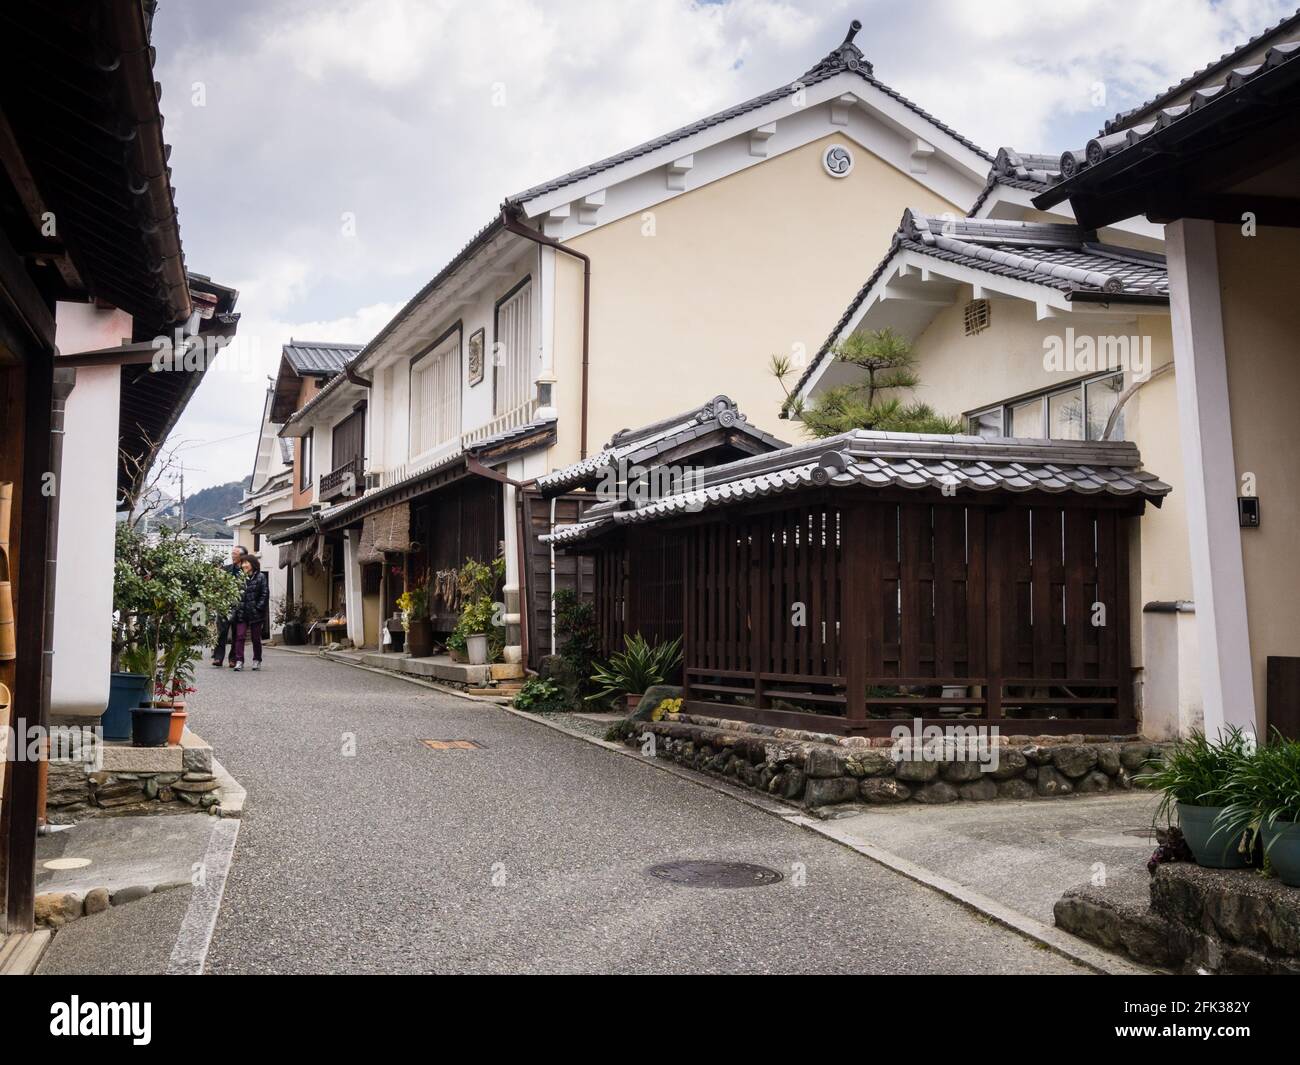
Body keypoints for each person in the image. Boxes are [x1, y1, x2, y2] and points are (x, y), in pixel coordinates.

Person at [212, 544, 247, 667]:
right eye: (232, 554)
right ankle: (218, 657)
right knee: (222, 632)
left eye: (235, 554)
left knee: (237, 634)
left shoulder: (246, 571)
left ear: (242, 556)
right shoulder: (226, 569)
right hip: (224, 605)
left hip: (239, 606)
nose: (233, 556)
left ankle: (233, 659)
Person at [232, 554, 268, 672]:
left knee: (255, 638)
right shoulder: (239, 577)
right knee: (240, 636)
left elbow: (264, 593)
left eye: (246, 563)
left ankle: (257, 659)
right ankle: (239, 661)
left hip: (255, 612)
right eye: (243, 563)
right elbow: (234, 594)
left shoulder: (261, 576)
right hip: (242, 612)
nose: (244, 565)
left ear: (252, 564)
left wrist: (258, 608)